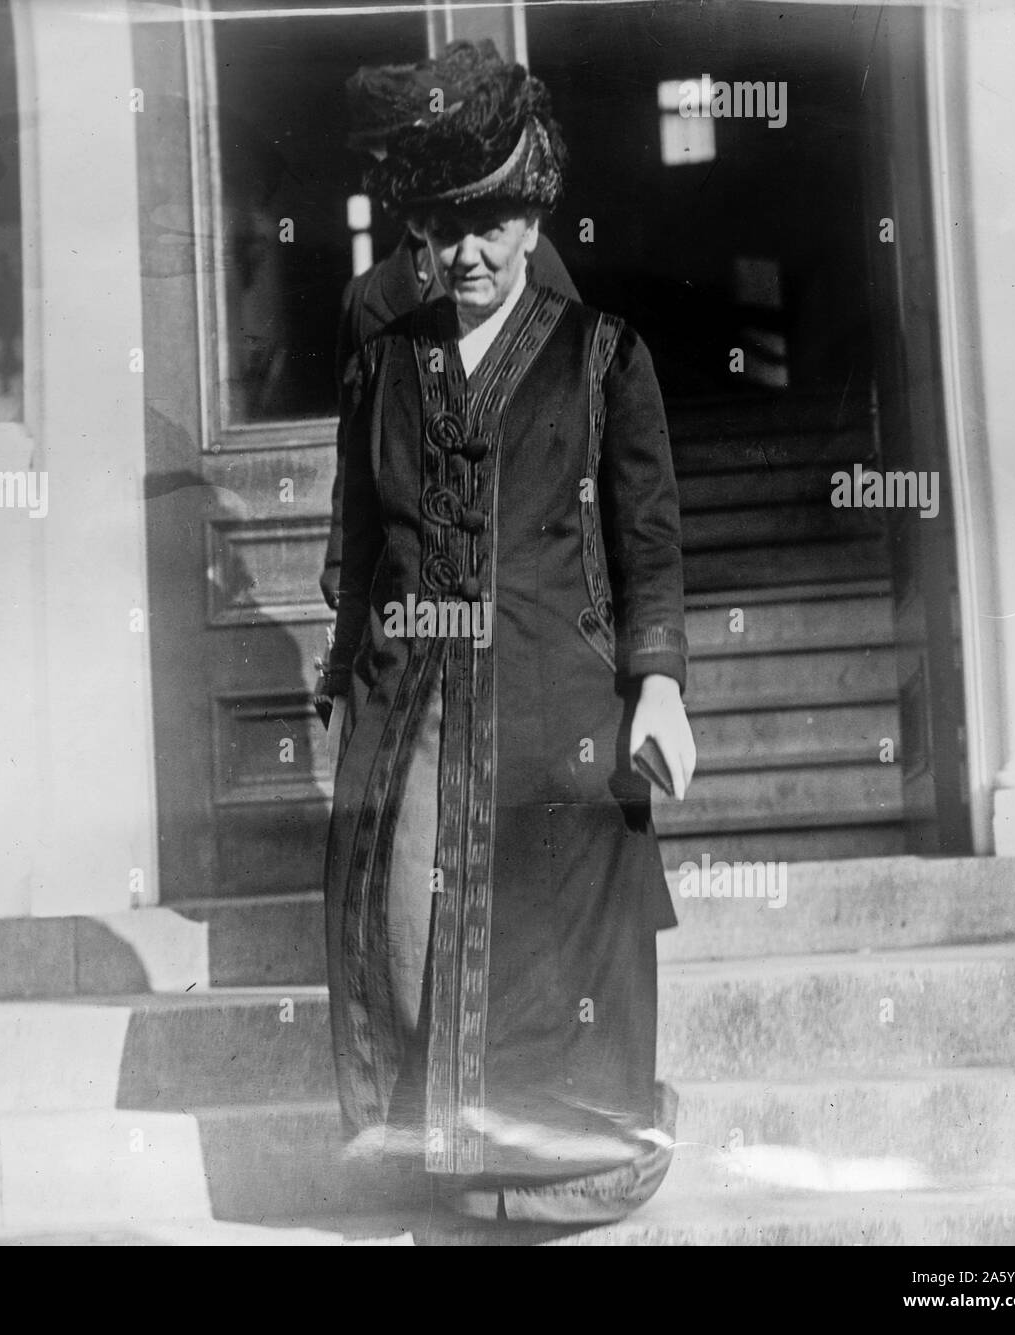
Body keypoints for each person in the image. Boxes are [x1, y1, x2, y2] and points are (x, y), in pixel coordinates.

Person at [320, 57, 696, 1225]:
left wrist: (660, 684)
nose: (468, 254)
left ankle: (561, 1174)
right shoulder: (384, 364)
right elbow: (361, 533)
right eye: (444, 232)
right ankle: (441, 1158)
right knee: (408, 924)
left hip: (555, 695)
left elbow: (648, 540)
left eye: (492, 227)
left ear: (533, 224)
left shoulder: (604, 357)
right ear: (420, 237)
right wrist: (343, 677)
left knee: (547, 935)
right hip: (413, 700)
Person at [317, 40, 579, 615]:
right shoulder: (367, 299)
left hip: (514, 563)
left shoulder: (529, 262)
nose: (405, 167)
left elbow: (574, 419)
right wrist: (343, 573)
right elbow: (355, 454)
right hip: (412, 582)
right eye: (387, 154)